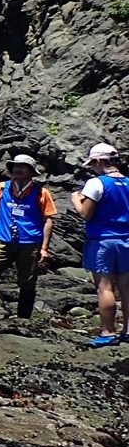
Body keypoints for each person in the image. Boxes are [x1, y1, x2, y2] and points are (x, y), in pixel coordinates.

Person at [0, 154, 56, 321]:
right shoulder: (2, 187)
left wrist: (44, 248)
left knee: (27, 283)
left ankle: (23, 319)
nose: (18, 169)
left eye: (23, 167)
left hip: (29, 245)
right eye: (15, 166)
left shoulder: (41, 193)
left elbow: (48, 220)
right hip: (3, 242)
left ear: (31, 172)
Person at [72, 143, 129, 347]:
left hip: (103, 240)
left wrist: (76, 199)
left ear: (98, 161)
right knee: (126, 287)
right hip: (127, 239)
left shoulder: (96, 183)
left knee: (105, 287)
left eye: (92, 164)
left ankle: (108, 332)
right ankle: (128, 330)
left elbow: (85, 214)